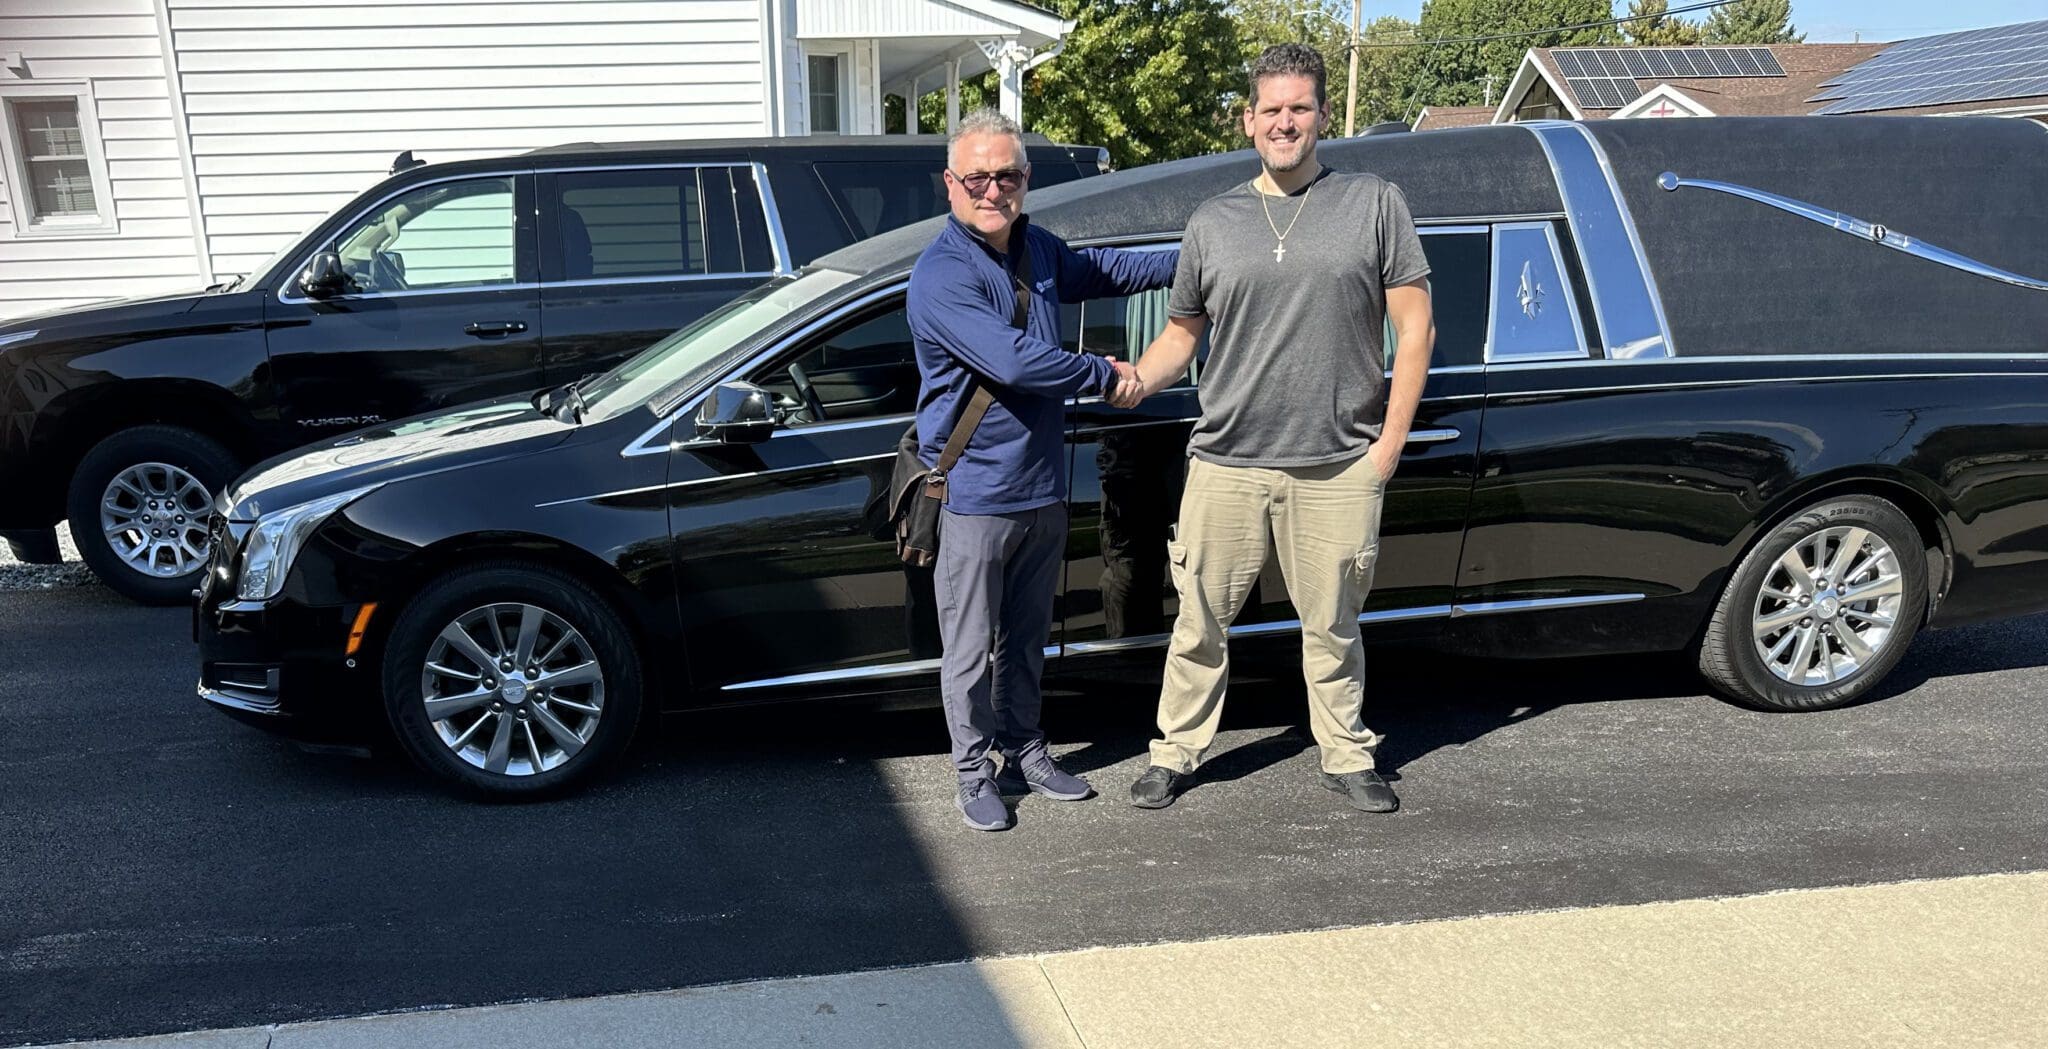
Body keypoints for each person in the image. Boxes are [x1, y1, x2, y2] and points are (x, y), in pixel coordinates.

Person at [1114, 43, 1436, 814]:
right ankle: (1177, 751)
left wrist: (1387, 447)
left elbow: (1415, 328)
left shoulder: (1373, 201)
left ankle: (1346, 751)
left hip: (1337, 463)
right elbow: (1182, 333)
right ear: (1248, 120)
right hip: (1226, 460)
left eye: (1299, 107)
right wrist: (1132, 378)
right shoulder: (1214, 220)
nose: (1285, 121)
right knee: (1199, 621)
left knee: (1332, 624)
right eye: (1271, 109)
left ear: (1323, 114)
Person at [907, 108, 1178, 832]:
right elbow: (1013, 360)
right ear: (951, 184)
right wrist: (1103, 370)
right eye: (977, 177)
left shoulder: (1038, 248)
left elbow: (1113, 269)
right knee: (967, 654)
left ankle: (1026, 748)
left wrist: (1202, 256)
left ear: (1025, 181)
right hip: (972, 495)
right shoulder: (940, 276)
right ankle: (973, 772)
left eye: (1008, 176)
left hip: (1041, 489)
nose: (992, 190)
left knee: (1025, 640)